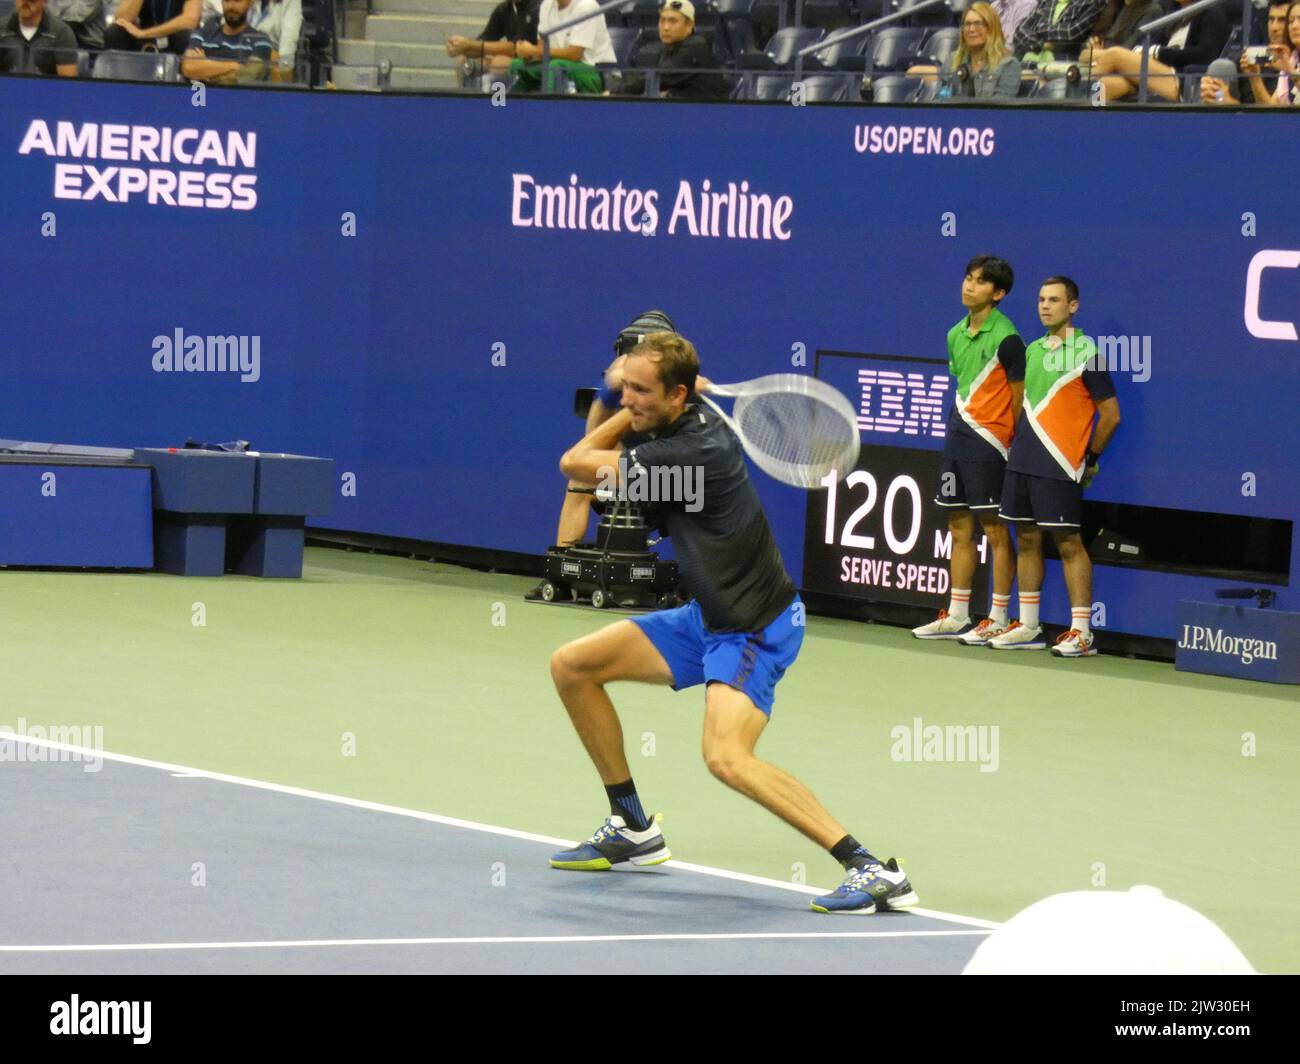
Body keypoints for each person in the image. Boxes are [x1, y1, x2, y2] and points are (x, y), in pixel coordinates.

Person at [548, 331, 918, 914]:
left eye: (641, 392)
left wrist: (621, 409)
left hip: (753, 629)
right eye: (627, 389)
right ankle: (633, 826)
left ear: (677, 396)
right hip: (708, 617)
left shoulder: (693, 454)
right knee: (572, 667)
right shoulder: (675, 425)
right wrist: (647, 397)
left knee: (726, 758)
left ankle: (872, 868)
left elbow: (574, 462)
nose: (629, 400)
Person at [989, 278, 1120, 657]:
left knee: (1068, 543)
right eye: (1041, 300)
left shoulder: (1087, 353)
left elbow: (1110, 416)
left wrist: (1088, 458)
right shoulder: (1031, 351)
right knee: (1026, 539)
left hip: (1059, 464)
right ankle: (1029, 626)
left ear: (1073, 306)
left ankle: (1082, 632)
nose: (1045, 306)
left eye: (1055, 300)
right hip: (1023, 460)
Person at [524, 310, 678, 601]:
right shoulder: (618, 394)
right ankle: (560, 576)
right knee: (577, 485)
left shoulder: (675, 397)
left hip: (671, 486)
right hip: (624, 481)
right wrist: (609, 393)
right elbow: (589, 448)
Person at [913, 256, 1025, 645]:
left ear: (998, 294)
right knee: (958, 525)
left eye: (979, 282)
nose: (969, 286)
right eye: (968, 278)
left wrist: (1006, 440)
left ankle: (997, 615)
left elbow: (1017, 398)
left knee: (994, 530)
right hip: (956, 438)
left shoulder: (1008, 338)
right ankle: (957, 614)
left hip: (989, 443)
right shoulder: (954, 334)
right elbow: (962, 386)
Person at [1084, 0, 1231, 102]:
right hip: (1155, 74)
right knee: (1105, 86)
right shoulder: (1173, 13)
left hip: (1181, 79)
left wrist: (1159, 53)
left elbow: (1206, 55)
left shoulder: (1212, 12)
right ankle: (1094, 127)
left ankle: (1081, 97)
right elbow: (1151, 45)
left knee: (1114, 55)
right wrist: (1151, 52)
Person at [908, 2, 1021, 98]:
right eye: (967, 24)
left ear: (991, 28)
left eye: (978, 24)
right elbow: (940, 98)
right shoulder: (953, 60)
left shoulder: (1009, 65)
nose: (971, 29)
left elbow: (1001, 109)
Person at [619, 0, 726, 99]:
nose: (665, 27)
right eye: (662, 20)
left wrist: (615, 93)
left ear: (689, 25)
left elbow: (659, 76)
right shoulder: (669, 48)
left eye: (672, 21)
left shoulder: (695, 47)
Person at [510, 0, 615, 93]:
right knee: (517, 64)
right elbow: (541, 50)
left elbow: (575, 54)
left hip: (594, 70)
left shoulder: (586, 5)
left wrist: (533, 51)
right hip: (558, 63)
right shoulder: (547, 5)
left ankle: (549, 110)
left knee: (555, 67)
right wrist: (527, 54)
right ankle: (513, 111)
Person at [445, 0, 539, 84]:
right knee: (465, 61)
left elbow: (515, 48)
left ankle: (500, 102)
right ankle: (470, 101)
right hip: (517, 61)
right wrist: (460, 48)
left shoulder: (537, 6)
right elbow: (484, 41)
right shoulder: (504, 9)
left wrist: (470, 45)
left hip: (538, 62)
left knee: (499, 63)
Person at [181, 0, 275, 83]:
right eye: (227, 0)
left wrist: (206, 68)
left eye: (238, 1)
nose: (231, 6)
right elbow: (188, 67)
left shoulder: (260, 39)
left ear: (250, 3)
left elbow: (250, 76)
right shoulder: (205, 32)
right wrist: (235, 66)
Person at [1012, 0, 1108, 62]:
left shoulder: (1093, 2)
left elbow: (1071, 33)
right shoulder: (1047, 1)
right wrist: (1041, 44)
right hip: (1028, 65)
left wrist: (1038, 29)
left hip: (1063, 68)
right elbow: (1019, 32)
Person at [0, 0, 78, 76]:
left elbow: (68, 84)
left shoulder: (61, 33)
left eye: (32, 0)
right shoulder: (1, 29)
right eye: (21, 0)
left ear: (44, 2)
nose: (25, 3)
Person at [104, 0, 202, 55]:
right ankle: (118, 85)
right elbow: (122, 19)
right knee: (115, 32)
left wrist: (143, 34)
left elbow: (190, 20)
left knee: (187, 36)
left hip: (175, 38)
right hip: (144, 41)